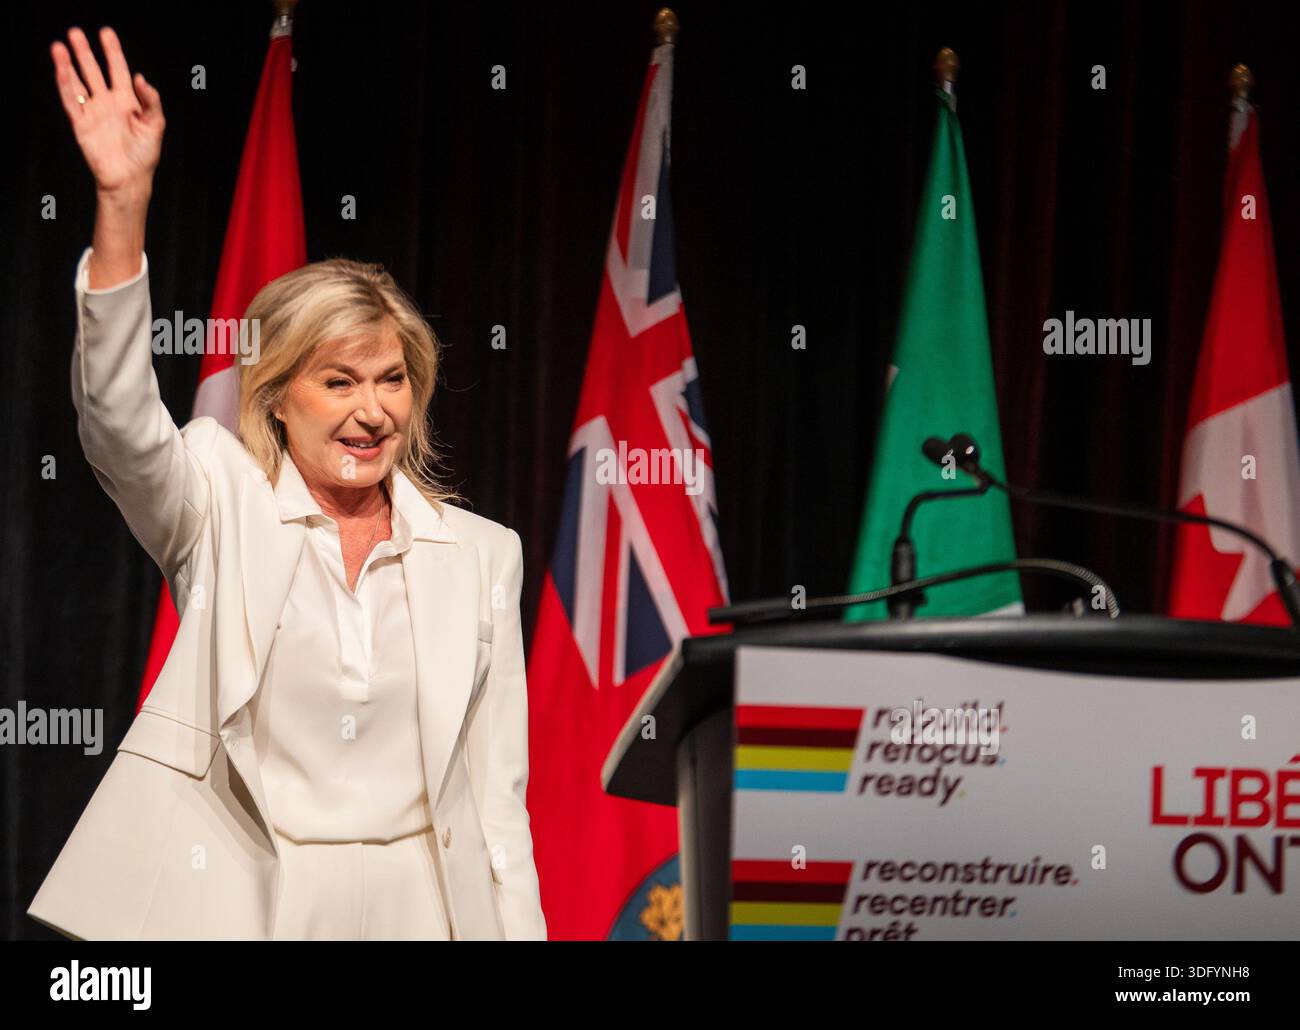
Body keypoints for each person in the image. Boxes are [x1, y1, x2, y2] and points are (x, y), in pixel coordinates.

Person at [29, 25, 546, 940]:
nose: (372, 410)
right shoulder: (217, 500)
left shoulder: (482, 556)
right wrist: (123, 205)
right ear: (276, 395)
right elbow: (115, 420)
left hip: (420, 913)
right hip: (246, 903)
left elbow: (498, 803)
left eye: (392, 380)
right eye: (338, 382)